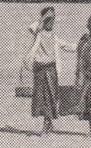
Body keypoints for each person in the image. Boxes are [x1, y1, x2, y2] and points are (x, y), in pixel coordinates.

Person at [25, 7, 76, 135]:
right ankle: (47, 122)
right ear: (44, 21)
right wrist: (43, 17)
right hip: (40, 70)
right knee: (41, 97)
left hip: (51, 70)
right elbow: (32, 28)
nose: (51, 23)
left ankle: (47, 123)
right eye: (49, 20)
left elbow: (68, 46)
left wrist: (80, 44)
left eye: (53, 20)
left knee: (51, 96)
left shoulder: (54, 37)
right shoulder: (39, 34)